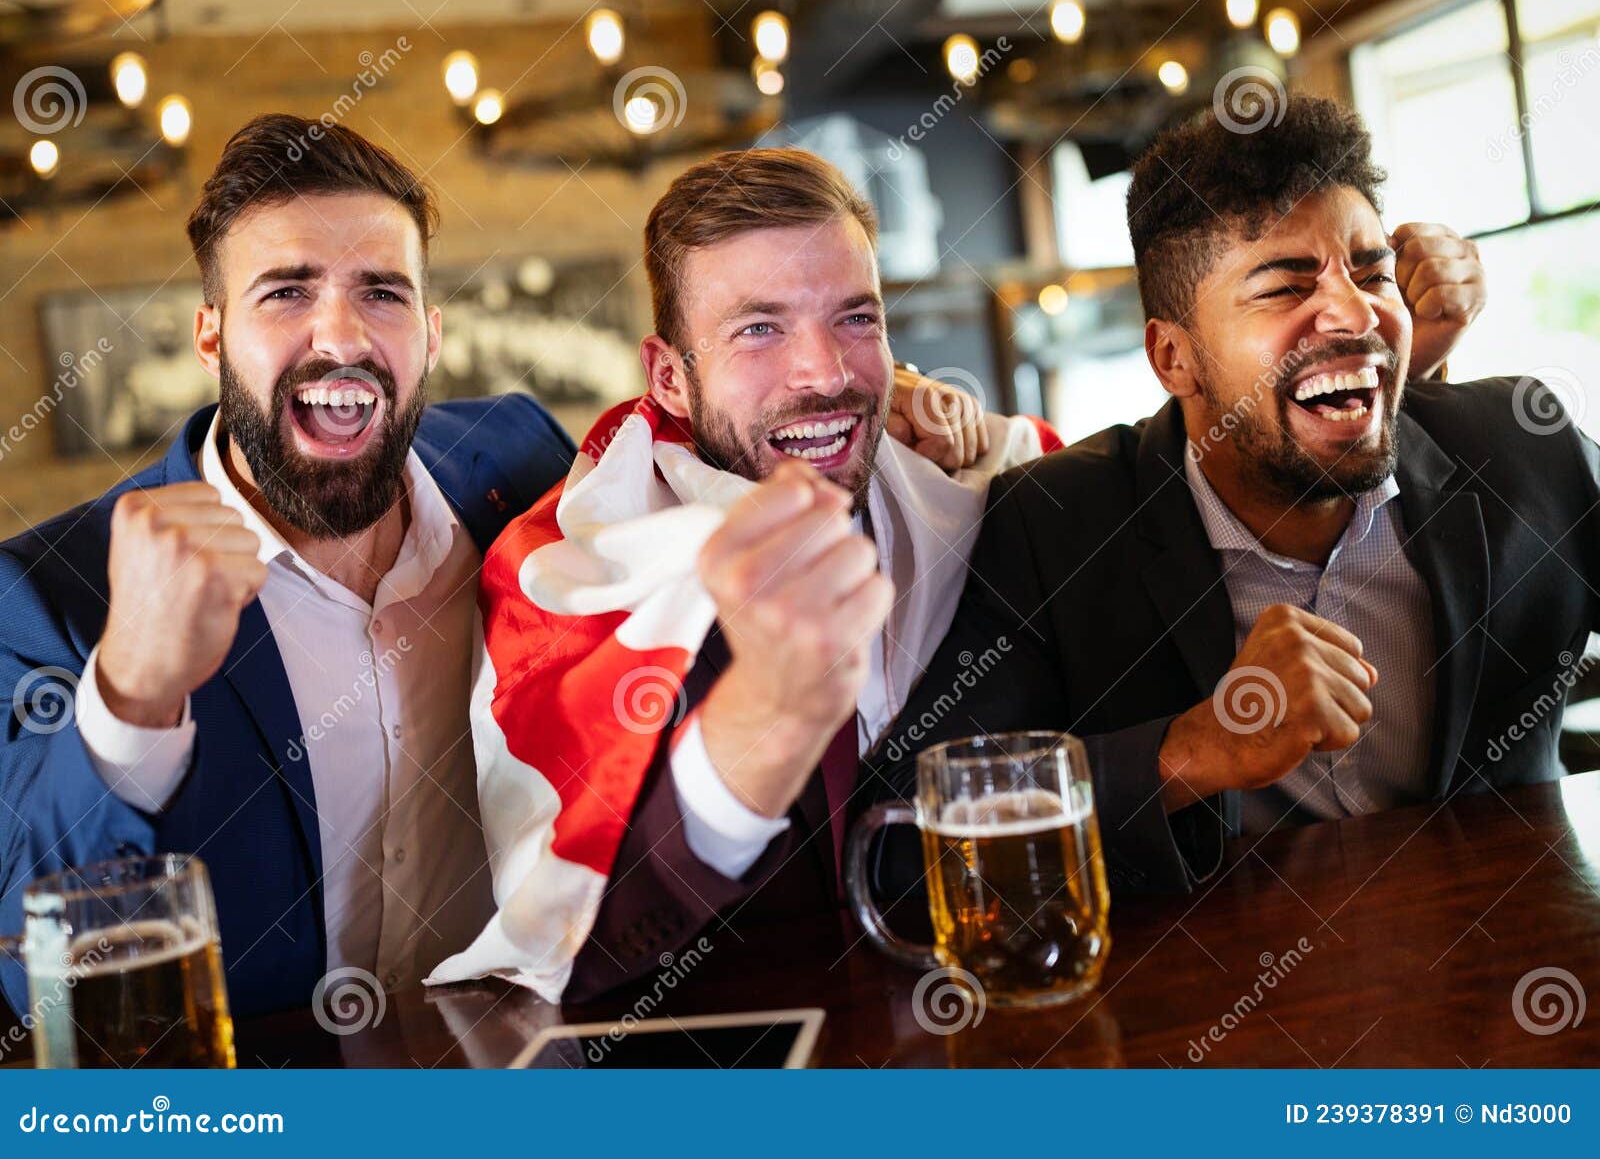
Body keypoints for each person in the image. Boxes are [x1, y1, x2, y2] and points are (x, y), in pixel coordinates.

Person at [428, 143, 1483, 1003]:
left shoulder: (964, 493)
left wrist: (1392, 366)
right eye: (758, 328)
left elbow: (1169, 472)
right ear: (669, 373)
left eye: (857, 317)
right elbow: (579, 944)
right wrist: (755, 724)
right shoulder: (583, 571)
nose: (823, 371)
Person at [877, 95, 1591, 896]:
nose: (1356, 312)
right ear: (1174, 358)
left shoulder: (1527, 452)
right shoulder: (1057, 527)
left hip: (1515, 974)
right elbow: (904, 844)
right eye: (1287, 287)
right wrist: (1195, 748)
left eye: (1371, 272)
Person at [0, 114, 576, 1018]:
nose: (341, 338)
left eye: (381, 292)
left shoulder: (522, 463)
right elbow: (40, 984)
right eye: (286, 292)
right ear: (210, 336)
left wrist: (875, 434)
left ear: (431, 333)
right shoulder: (48, 592)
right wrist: (129, 698)